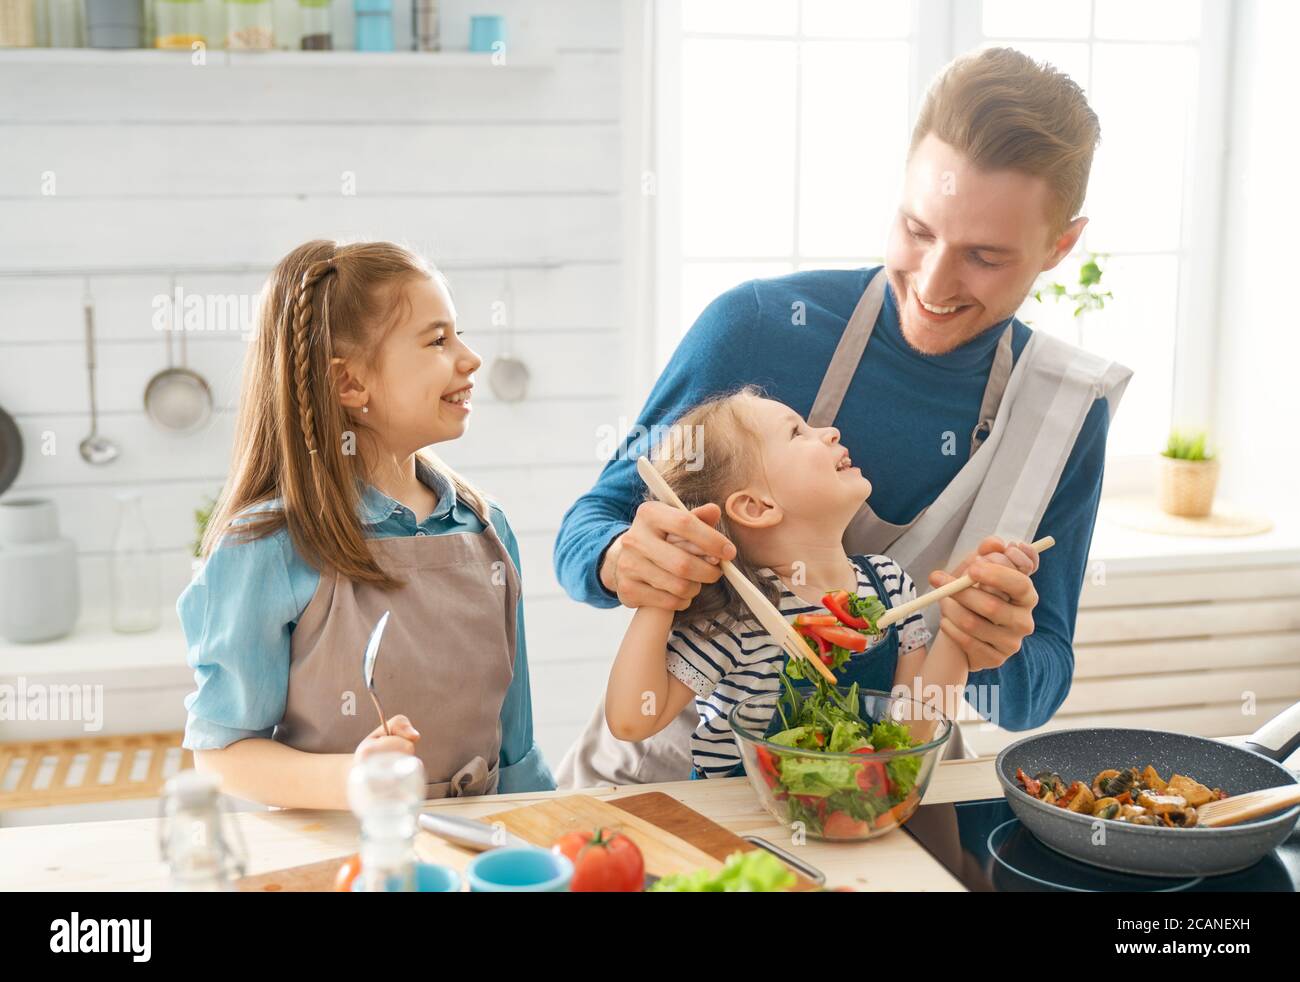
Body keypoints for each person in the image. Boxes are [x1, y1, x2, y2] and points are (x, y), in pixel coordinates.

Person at [554, 48, 1131, 787]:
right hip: (671, 791)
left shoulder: (1063, 412)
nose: (933, 282)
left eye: (985, 256)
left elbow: (1035, 692)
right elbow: (591, 521)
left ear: (1061, 246)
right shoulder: (758, 325)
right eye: (918, 231)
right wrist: (621, 559)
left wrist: (991, 641)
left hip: (877, 794)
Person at [179, 239, 554, 808]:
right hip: (338, 857)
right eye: (437, 340)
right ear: (350, 383)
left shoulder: (487, 529)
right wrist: (353, 781)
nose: (470, 357)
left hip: (478, 854)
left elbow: (517, 750)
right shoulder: (270, 545)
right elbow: (223, 752)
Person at [602, 388, 1041, 779]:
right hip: (742, 823)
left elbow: (912, 734)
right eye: (797, 433)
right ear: (756, 506)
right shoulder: (734, 620)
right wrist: (662, 592)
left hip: (856, 812)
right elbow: (631, 721)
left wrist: (963, 630)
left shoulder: (887, 584)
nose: (828, 431)